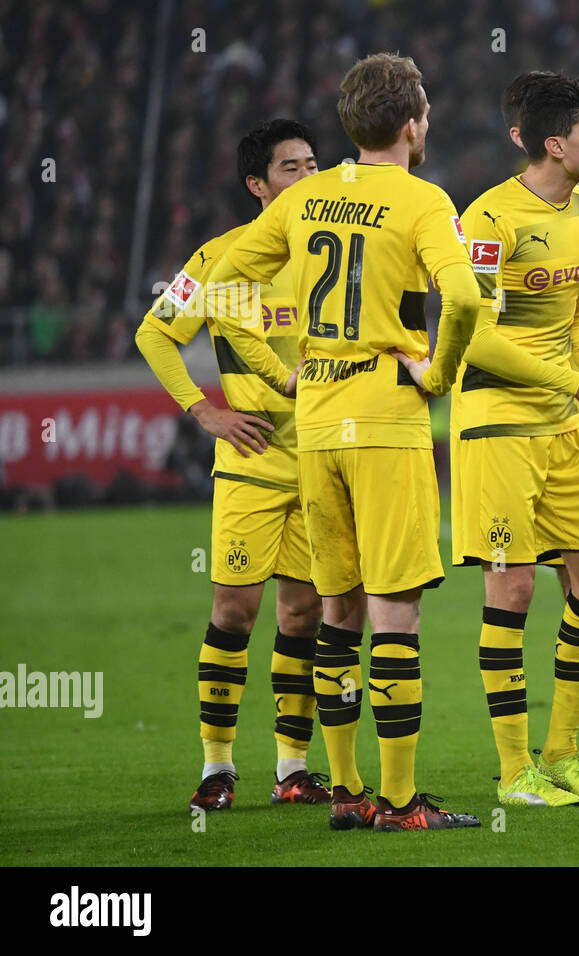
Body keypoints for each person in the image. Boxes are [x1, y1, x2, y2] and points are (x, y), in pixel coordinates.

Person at [207, 53, 486, 832]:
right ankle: (398, 803)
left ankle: (346, 790)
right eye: (424, 114)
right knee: (396, 616)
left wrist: (283, 371)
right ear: (411, 124)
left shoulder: (309, 197)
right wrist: (437, 374)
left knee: (338, 611)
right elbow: (461, 295)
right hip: (386, 419)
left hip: (319, 424)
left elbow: (223, 291)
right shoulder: (424, 199)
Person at [442, 73, 579, 808]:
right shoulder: (488, 219)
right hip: (498, 427)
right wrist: (573, 387)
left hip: (564, 426)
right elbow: (474, 340)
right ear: (555, 144)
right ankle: (512, 772)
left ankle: (561, 753)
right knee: (515, 587)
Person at [135, 119, 329, 813]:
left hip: (323, 461)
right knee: (235, 612)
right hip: (251, 460)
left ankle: (293, 769)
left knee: (304, 614)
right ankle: (218, 766)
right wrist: (202, 411)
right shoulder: (218, 256)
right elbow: (155, 333)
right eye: (291, 167)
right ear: (258, 184)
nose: (308, 176)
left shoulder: (336, 250)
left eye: (313, 163)